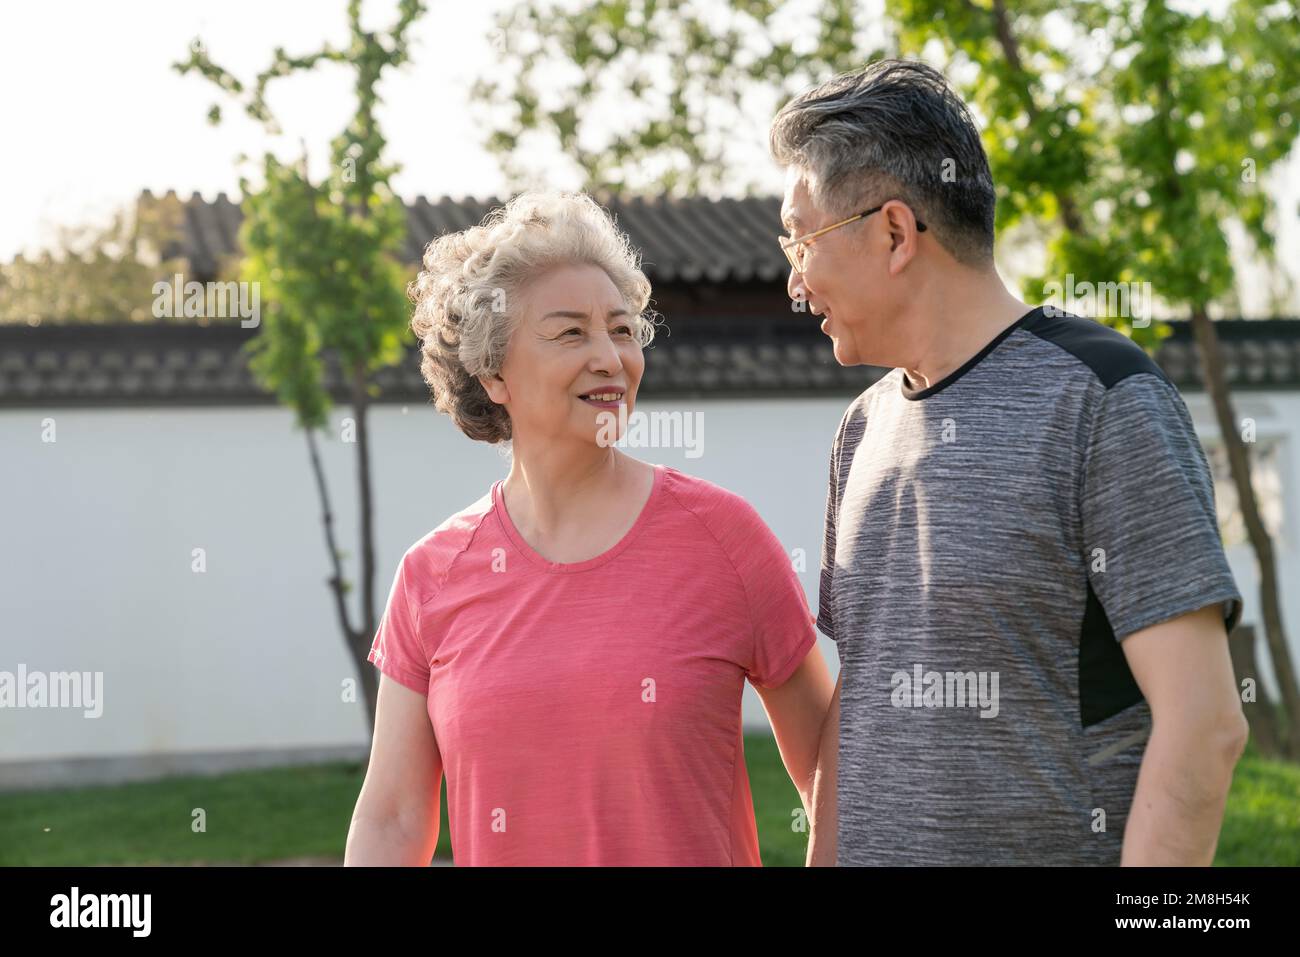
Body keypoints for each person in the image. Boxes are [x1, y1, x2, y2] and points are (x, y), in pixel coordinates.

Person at [770, 59, 1248, 866]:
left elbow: (1205, 723)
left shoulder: (1105, 398)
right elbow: (863, 703)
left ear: (893, 232)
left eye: (802, 239)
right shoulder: (862, 428)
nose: (794, 279)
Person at [345, 190, 833, 866]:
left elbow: (832, 770)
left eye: (623, 328)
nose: (610, 357)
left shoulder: (725, 537)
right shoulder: (432, 575)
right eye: (570, 331)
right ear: (493, 373)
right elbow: (393, 818)